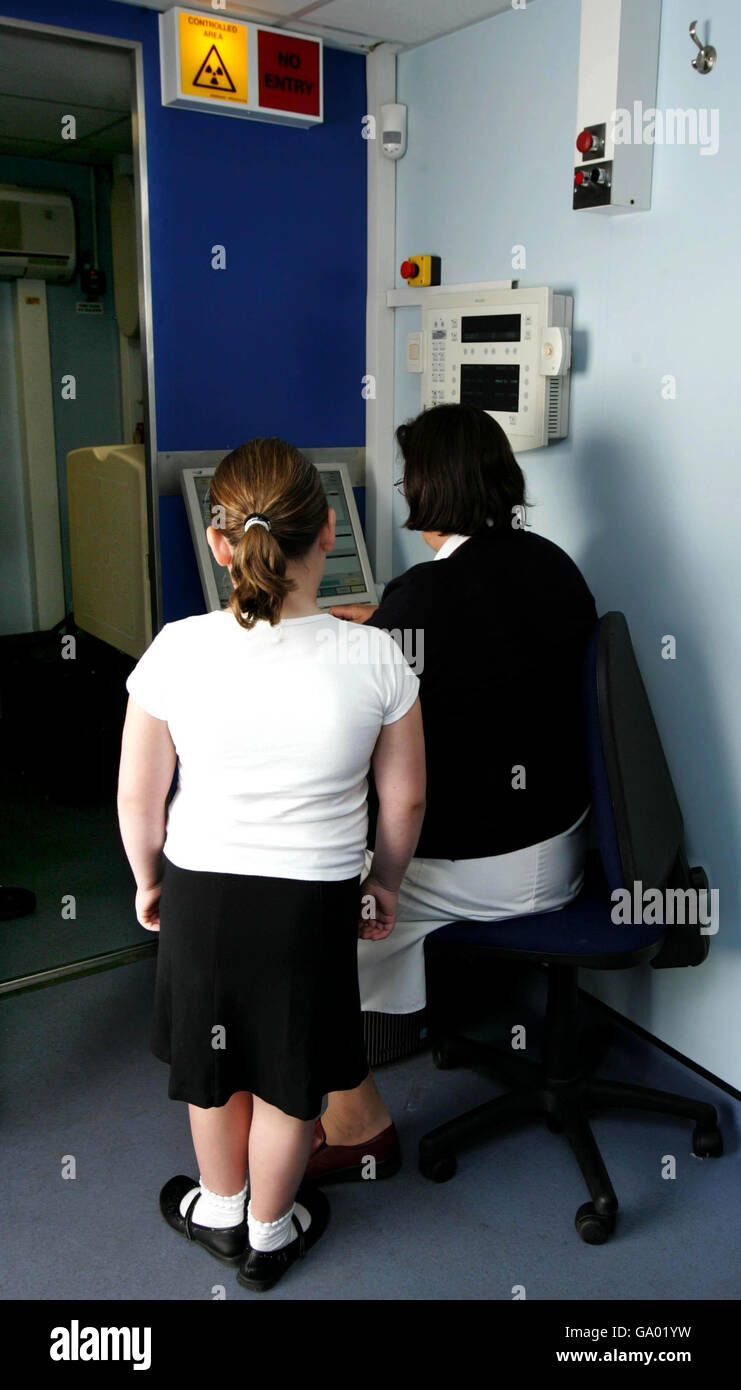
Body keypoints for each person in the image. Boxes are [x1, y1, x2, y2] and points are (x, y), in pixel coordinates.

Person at [117, 439, 425, 1292]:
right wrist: (384, 882)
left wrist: (149, 879)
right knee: (292, 1079)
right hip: (312, 903)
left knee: (213, 1071)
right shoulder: (376, 656)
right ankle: (269, 1227)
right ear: (329, 532)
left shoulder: (177, 649)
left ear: (221, 544)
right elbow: (402, 804)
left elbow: (138, 800)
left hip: (202, 897)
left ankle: (218, 1211)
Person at [306, 403, 599, 1183]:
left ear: (425, 488)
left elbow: (361, 738)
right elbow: (485, 655)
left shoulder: (425, 596)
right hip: (563, 842)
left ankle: (354, 1124)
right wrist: (388, 626)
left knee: (308, 909)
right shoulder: (553, 562)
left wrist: (385, 628)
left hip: (490, 868)